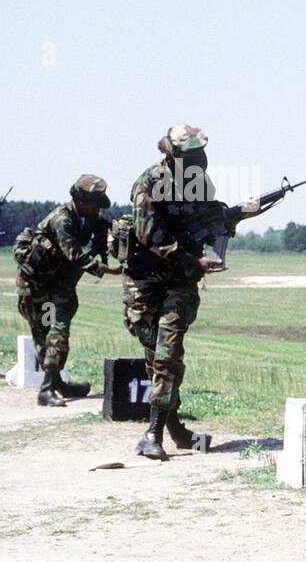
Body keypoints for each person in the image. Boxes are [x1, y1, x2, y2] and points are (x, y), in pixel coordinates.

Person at [122, 124, 222, 459]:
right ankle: (176, 428)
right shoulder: (150, 182)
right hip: (146, 280)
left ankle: (153, 433)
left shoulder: (199, 183)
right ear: (173, 154)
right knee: (159, 357)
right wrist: (194, 258)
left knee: (168, 351)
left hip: (180, 281)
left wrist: (234, 217)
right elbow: (151, 236)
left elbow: (211, 220)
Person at [13, 175, 121, 406]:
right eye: (94, 204)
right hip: (36, 286)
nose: (96, 209)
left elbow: (106, 229)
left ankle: (54, 384)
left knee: (58, 332)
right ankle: (49, 388)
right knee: (46, 335)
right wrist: (105, 270)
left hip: (58, 285)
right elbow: (74, 254)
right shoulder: (62, 219)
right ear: (80, 201)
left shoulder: (88, 217)